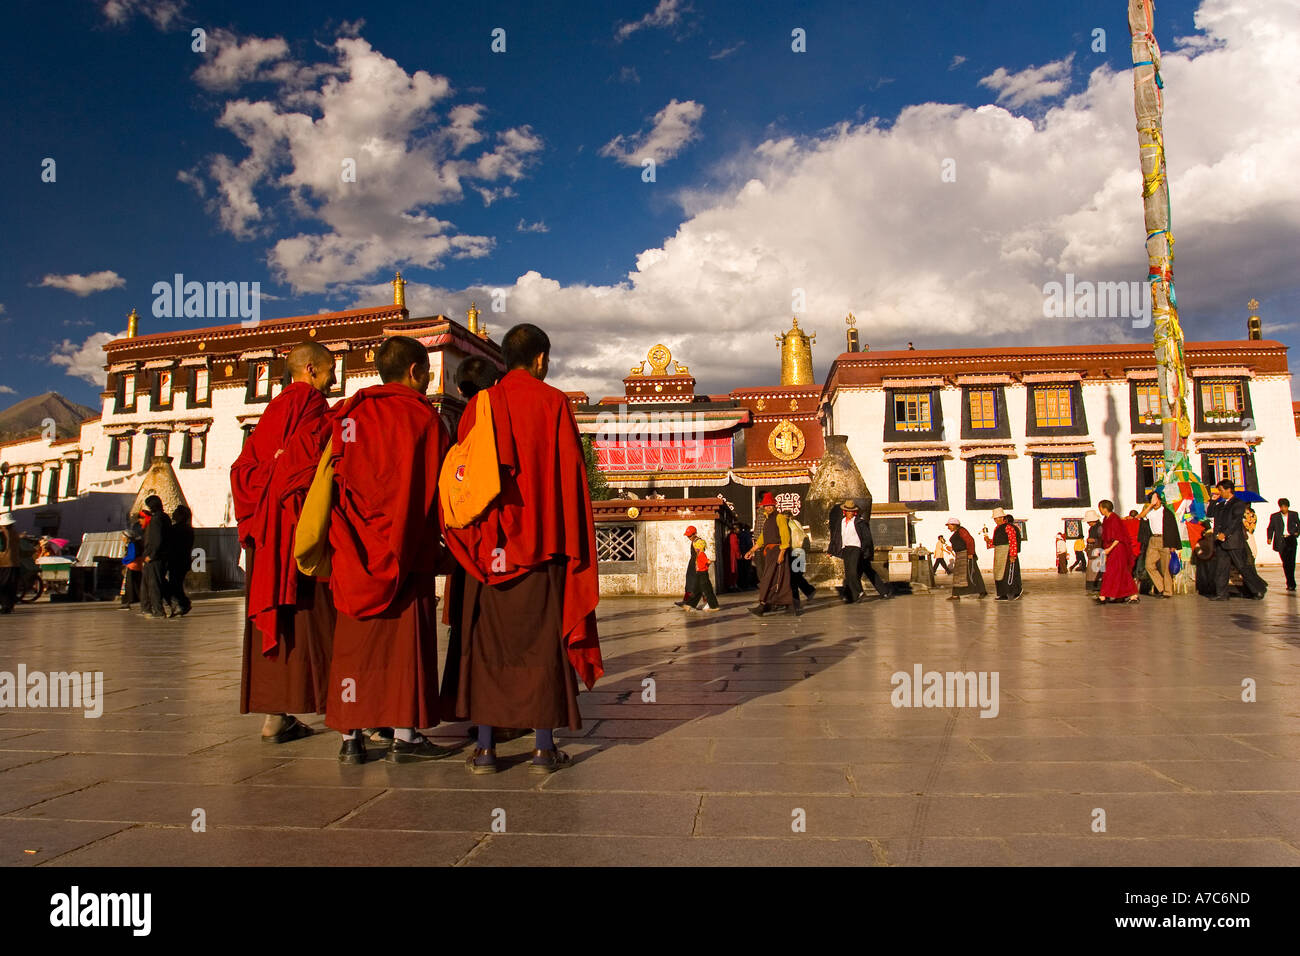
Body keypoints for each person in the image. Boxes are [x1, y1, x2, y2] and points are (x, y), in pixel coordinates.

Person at [443, 324, 603, 775]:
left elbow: (465, 480)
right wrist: (571, 546)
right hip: (542, 551)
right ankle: (542, 748)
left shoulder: (481, 404)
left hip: (490, 553)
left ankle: (486, 750)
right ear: (539, 360)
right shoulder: (553, 403)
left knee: (490, 651)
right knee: (541, 651)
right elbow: (571, 482)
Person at [232, 341, 338, 745]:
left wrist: (273, 480)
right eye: (329, 371)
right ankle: (349, 711)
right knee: (320, 622)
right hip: (299, 533)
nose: (331, 380)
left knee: (275, 622)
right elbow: (312, 468)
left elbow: (244, 472)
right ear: (310, 369)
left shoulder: (273, 410)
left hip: (265, 536)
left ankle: (275, 719)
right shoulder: (311, 406)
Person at [1211, 480, 1267, 601]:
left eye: (1220, 490)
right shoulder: (1220, 505)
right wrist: (1213, 501)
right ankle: (1222, 593)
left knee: (1242, 567)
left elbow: (1235, 522)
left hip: (1233, 541)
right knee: (1222, 568)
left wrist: (1225, 534)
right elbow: (1210, 513)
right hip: (1221, 542)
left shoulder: (1238, 503)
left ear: (1228, 490)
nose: (1219, 492)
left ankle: (1259, 588)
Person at [745, 492, 800, 615]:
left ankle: (763, 605)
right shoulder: (767, 520)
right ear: (763, 507)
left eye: (770, 505)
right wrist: (751, 550)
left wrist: (782, 553)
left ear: (774, 506)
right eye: (766, 505)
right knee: (776, 579)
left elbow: (785, 536)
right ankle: (786, 606)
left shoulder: (779, 517)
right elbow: (762, 539)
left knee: (772, 578)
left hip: (778, 551)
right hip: (769, 553)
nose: (768, 507)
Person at [1097, 499, 1139, 604]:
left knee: (1111, 572)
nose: (1100, 510)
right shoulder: (1106, 519)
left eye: (1101, 508)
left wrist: (1109, 549)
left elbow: (1119, 537)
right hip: (1110, 548)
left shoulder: (1114, 519)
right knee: (1119, 572)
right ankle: (1132, 594)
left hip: (1118, 549)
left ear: (1105, 508)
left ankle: (1103, 595)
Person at [140, 495, 173, 619]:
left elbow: (157, 540)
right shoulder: (165, 517)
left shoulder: (156, 520)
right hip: (163, 555)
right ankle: (170, 604)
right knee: (158, 582)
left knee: (154, 584)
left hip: (155, 558)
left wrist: (151, 555)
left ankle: (158, 610)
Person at [1138, 489, 1173, 598]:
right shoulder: (1150, 513)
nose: (1155, 501)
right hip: (1153, 539)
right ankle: (1162, 587)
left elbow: (1172, 528)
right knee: (1149, 565)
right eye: (1153, 499)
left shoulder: (1166, 512)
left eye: (1156, 498)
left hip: (1164, 539)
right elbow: (1140, 516)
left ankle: (1167, 592)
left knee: (1165, 568)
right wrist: (1150, 505)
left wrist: (1172, 544)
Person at [984, 508, 1022, 600]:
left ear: (1002, 518)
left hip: (1008, 553)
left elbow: (1013, 541)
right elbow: (996, 542)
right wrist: (989, 541)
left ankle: (1015, 593)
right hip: (999, 554)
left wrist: (1012, 555)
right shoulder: (997, 528)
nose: (996, 520)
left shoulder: (1009, 527)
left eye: (997, 518)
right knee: (999, 574)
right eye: (994, 519)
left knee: (1010, 574)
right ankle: (1003, 594)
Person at [944, 516, 986, 600]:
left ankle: (982, 591)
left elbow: (970, 541)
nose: (948, 528)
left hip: (966, 555)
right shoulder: (958, 532)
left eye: (949, 525)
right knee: (958, 575)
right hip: (960, 556)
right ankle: (955, 594)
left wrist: (970, 553)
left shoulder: (962, 531)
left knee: (973, 574)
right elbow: (960, 544)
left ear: (954, 525)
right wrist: (952, 548)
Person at [166, 505, 194, 616]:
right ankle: (182, 604)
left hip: (177, 561)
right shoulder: (188, 529)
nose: (173, 514)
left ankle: (184, 603)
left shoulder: (178, 529)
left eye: (176, 512)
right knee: (176, 584)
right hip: (183, 560)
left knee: (175, 584)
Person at [683, 528, 720, 611]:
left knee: (706, 588)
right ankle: (690, 605)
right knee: (697, 588)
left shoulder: (699, 544)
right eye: (688, 536)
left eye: (690, 536)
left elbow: (702, 555)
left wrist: (706, 561)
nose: (689, 538)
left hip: (702, 569)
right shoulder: (695, 543)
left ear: (695, 534)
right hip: (698, 568)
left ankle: (714, 606)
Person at [1266, 498, 1299, 591]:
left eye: (1285, 507)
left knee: (1291, 562)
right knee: (1285, 562)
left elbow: (1298, 524)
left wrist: (1297, 532)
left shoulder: (1294, 514)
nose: (1284, 509)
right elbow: (1270, 528)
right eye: (1282, 507)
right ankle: (1289, 581)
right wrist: (1269, 538)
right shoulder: (1275, 516)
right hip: (1281, 541)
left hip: (1291, 539)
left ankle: (1291, 583)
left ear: (1288, 507)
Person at [785, 510, 817, 602]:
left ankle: (796, 598)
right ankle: (809, 591)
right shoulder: (797, 523)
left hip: (794, 552)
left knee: (794, 577)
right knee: (797, 575)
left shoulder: (791, 524)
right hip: (800, 551)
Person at [118, 514, 146, 609]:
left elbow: (132, 555)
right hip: (136, 566)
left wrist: (124, 561)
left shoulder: (132, 544)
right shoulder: (134, 543)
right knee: (136, 584)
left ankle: (128, 602)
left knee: (128, 585)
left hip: (132, 566)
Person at [0, 513, 19, 613]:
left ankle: (5, 606)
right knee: (12, 585)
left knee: (3, 585)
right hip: (15, 562)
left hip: (3, 562)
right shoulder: (14, 532)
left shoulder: (2, 532)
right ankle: (9, 605)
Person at [1084, 510, 1103, 592]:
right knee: (1091, 569)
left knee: (1096, 568)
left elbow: (1102, 538)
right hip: (1092, 550)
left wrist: (1094, 540)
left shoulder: (1100, 528)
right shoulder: (1092, 528)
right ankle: (1092, 585)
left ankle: (1097, 585)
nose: (1088, 523)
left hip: (1098, 550)